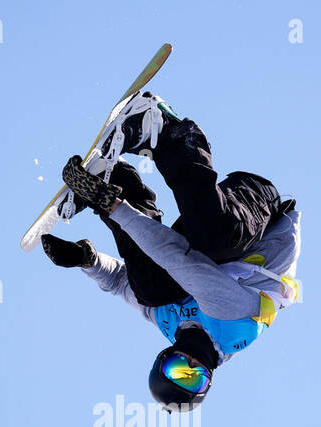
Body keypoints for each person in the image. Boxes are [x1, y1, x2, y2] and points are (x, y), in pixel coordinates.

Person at [40, 92, 302, 410]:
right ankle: (168, 132)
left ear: (164, 358)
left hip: (209, 240)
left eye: (178, 370)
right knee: (215, 237)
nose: (190, 364)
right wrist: (109, 205)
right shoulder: (233, 323)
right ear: (209, 378)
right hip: (256, 215)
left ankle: (115, 180)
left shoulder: (169, 322)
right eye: (194, 378)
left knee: (150, 289)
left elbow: (122, 283)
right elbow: (179, 260)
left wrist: (88, 261)